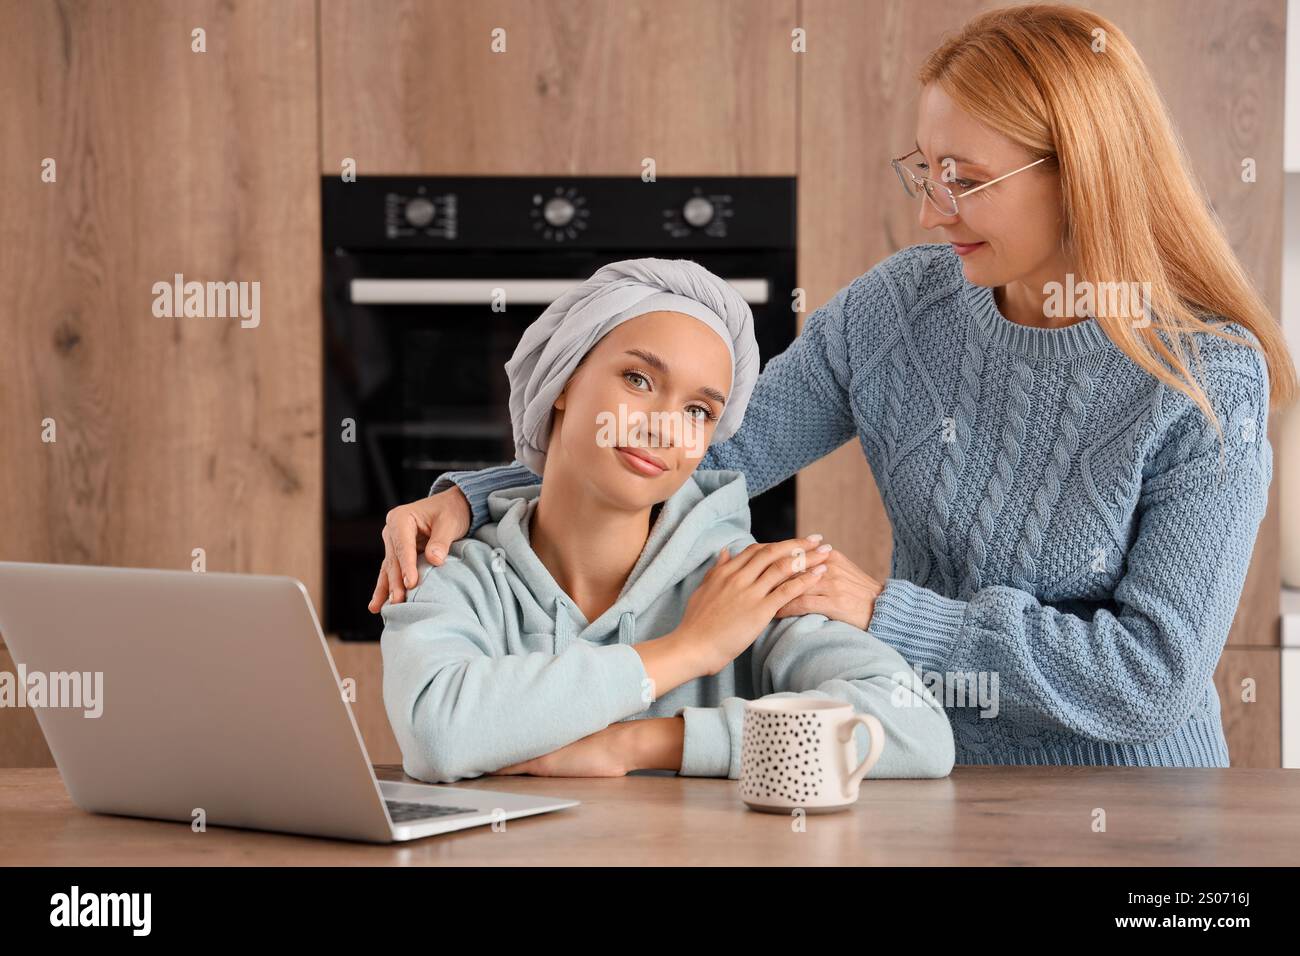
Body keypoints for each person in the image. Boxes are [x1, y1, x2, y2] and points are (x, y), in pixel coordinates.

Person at [373, 4, 1298, 768]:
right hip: (917, 773)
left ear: (1081, 175)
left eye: (964, 179)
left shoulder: (1205, 378)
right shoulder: (904, 306)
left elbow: (1151, 676)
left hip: (1139, 814)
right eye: (927, 170)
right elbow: (709, 447)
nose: (932, 210)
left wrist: (887, 613)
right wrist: (478, 496)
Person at [379, 257, 955, 783]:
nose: (664, 428)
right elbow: (436, 735)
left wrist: (647, 743)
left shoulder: (745, 587)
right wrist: (687, 651)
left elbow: (914, 732)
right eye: (638, 380)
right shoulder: (447, 571)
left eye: (698, 411)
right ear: (562, 380)